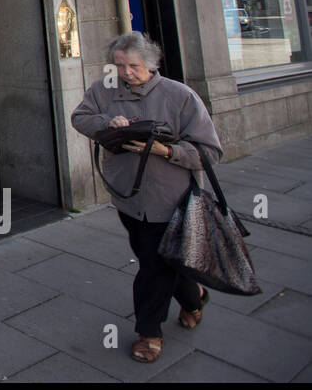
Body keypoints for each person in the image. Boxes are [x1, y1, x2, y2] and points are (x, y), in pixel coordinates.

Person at [71, 32, 220, 365]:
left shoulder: (180, 96)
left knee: (153, 266)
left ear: (151, 64)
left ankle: (149, 333)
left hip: (170, 201)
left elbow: (209, 152)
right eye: (120, 65)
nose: (125, 73)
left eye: (133, 66)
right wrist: (107, 122)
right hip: (128, 198)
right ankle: (194, 299)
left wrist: (167, 150)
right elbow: (80, 118)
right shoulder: (103, 90)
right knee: (166, 259)